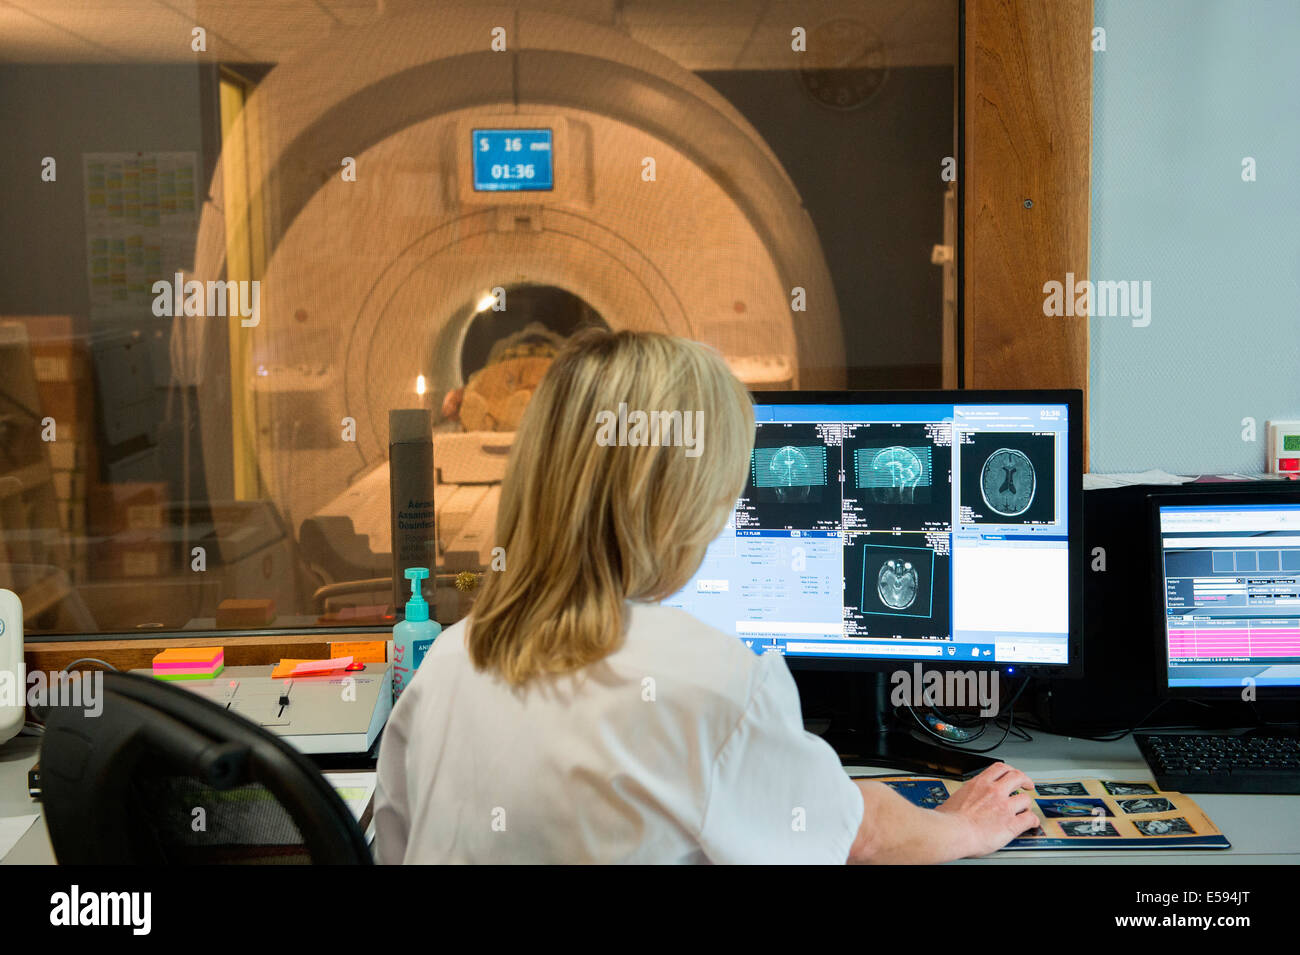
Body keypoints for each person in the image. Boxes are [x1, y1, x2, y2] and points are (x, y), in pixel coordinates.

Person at [375, 329, 1038, 863]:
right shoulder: (712, 680)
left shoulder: (451, 662)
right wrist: (964, 826)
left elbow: (397, 842)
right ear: (674, 504)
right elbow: (854, 835)